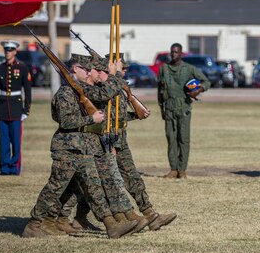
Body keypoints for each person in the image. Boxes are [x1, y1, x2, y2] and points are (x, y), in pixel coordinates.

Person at [21, 54, 139, 239]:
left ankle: (110, 225)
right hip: (67, 148)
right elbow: (65, 122)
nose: (89, 73)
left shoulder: (81, 91)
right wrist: (90, 119)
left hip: (83, 148)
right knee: (55, 188)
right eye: (86, 69)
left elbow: (102, 95)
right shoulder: (65, 93)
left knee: (93, 187)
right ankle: (34, 224)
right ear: (75, 69)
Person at [58, 55, 151, 234]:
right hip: (82, 143)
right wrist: (115, 76)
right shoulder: (85, 89)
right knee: (82, 185)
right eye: (88, 70)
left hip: (98, 140)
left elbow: (114, 114)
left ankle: (124, 216)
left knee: (101, 182)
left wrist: (135, 114)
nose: (89, 73)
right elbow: (103, 98)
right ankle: (49, 218)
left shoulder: (92, 87)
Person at [103, 56, 177, 230]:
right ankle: (71, 217)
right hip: (109, 138)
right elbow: (105, 117)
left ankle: (150, 214)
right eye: (123, 68)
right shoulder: (106, 88)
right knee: (96, 182)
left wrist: (136, 114)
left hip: (121, 138)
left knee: (133, 177)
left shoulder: (120, 87)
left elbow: (119, 116)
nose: (126, 70)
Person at [156, 43, 210, 179]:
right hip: (169, 107)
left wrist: (198, 90)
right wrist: (161, 107)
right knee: (171, 138)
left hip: (183, 107)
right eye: (172, 52)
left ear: (181, 54)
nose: (173, 54)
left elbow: (206, 82)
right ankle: (173, 169)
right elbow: (159, 90)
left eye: (176, 52)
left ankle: (182, 169)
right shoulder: (164, 69)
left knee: (183, 139)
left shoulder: (189, 68)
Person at [0, 40, 31, 175]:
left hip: (16, 109)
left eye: (10, 50)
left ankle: (14, 168)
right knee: (3, 141)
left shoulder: (22, 68)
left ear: (15, 52)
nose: (7, 53)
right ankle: (4, 168)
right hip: (2, 109)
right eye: (6, 50)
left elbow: (28, 91)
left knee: (15, 141)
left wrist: (26, 110)